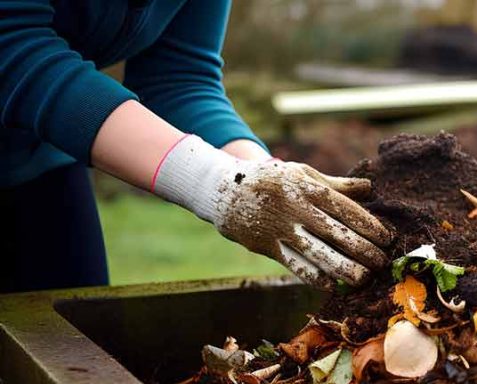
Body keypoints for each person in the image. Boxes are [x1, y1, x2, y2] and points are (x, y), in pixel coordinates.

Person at [0, 1, 391, 293]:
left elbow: (178, 79)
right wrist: (211, 182)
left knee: (62, 358)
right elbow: (11, 43)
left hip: (35, 159)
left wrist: (262, 178)